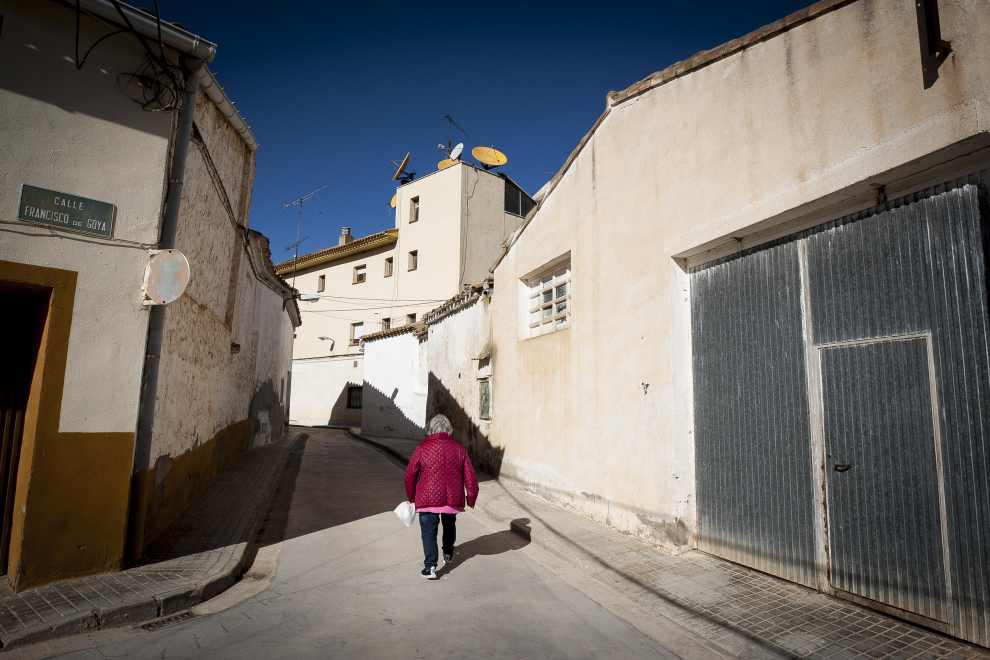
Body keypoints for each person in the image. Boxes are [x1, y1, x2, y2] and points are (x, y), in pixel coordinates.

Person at [404, 414, 479, 579]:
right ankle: (448, 553)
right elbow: (470, 477)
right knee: (449, 524)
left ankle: (430, 567)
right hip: (452, 499)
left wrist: (412, 497)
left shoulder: (422, 448)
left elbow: (410, 475)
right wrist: (471, 497)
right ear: (449, 430)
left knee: (429, 531)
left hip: (427, 499)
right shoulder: (459, 449)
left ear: (430, 430)